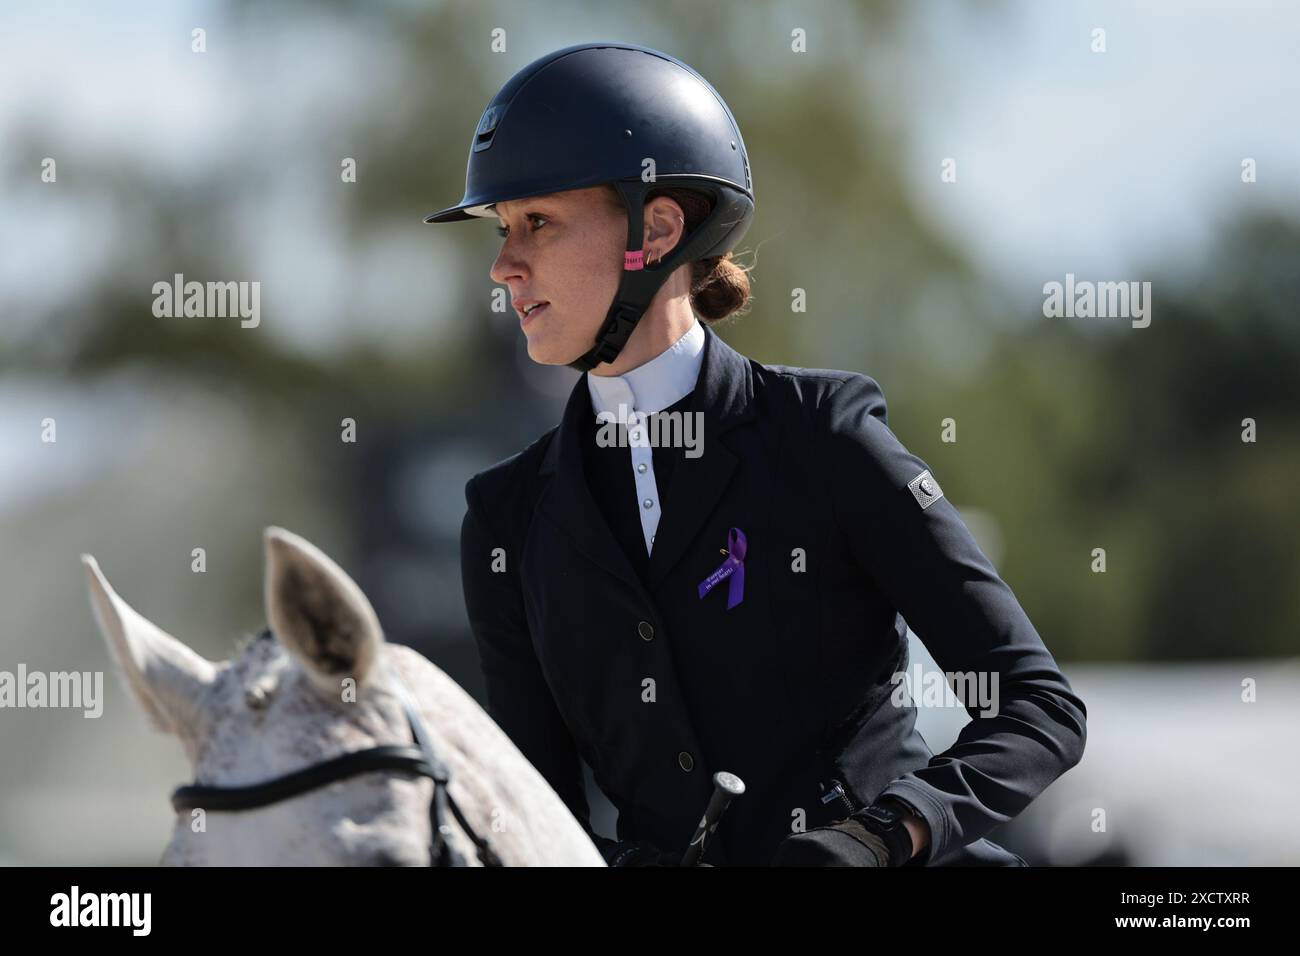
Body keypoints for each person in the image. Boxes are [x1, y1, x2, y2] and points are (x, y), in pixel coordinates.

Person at [428, 42, 1087, 866]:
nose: (503, 266)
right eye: (501, 229)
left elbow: (1037, 708)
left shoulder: (825, 435)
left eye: (537, 223)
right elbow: (535, 823)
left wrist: (882, 836)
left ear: (657, 227)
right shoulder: (504, 517)